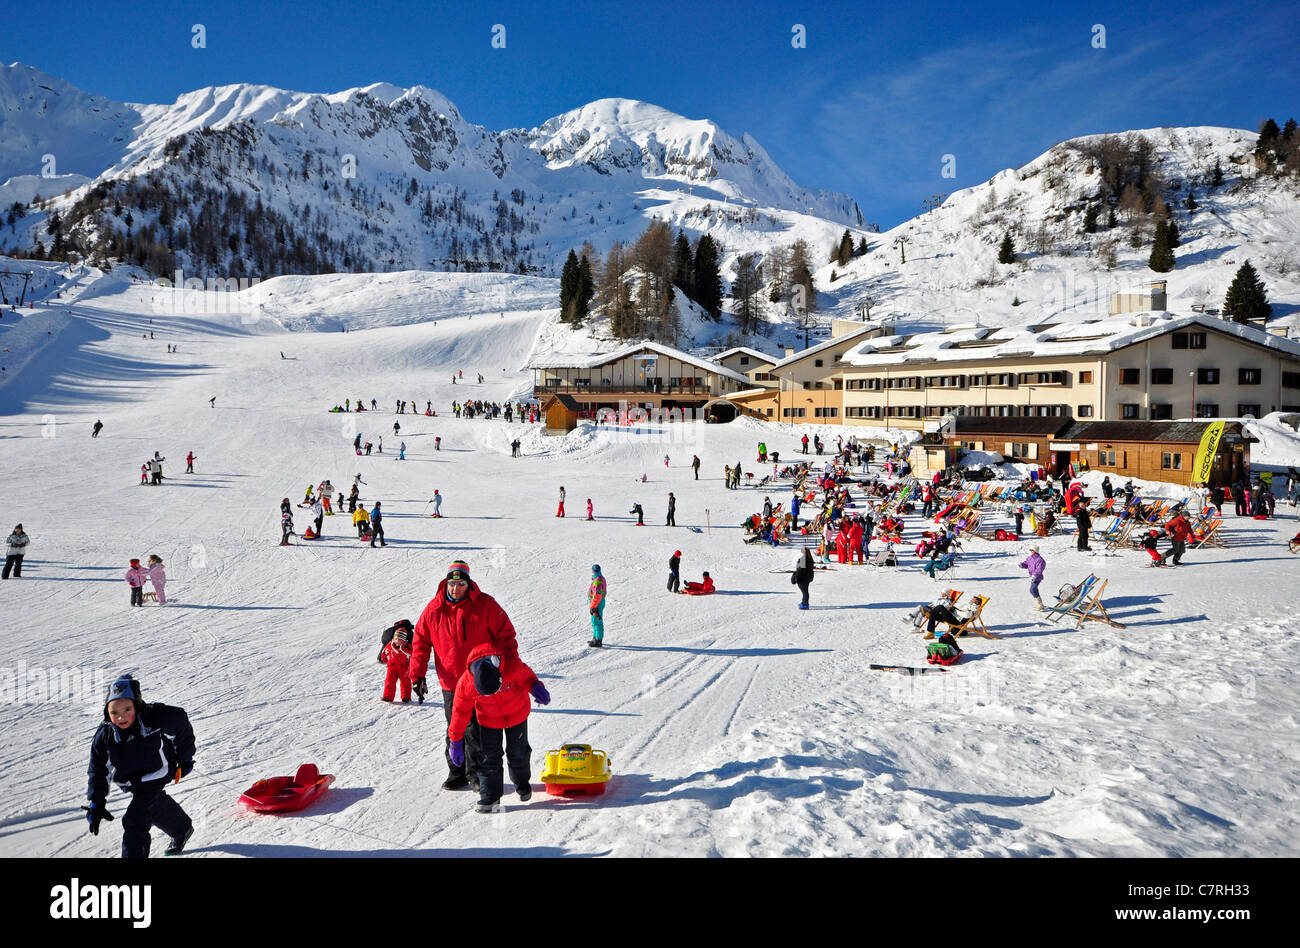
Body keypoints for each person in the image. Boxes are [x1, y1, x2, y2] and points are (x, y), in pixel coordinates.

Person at [409, 559, 521, 791]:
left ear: (468, 585)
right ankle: (456, 772)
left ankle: (477, 773)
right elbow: (420, 640)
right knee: (455, 727)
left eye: (460, 584)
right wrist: (417, 675)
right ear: (446, 584)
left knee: (477, 728)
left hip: (480, 679)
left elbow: (506, 635)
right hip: (450, 681)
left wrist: (508, 666)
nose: (455, 589)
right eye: (452, 584)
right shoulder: (434, 609)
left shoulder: (486, 605)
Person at [85, 674, 195, 858]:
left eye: (127, 709)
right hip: (132, 781)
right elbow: (98, 770)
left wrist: (185, 760)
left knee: (135, 820)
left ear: (136, 704)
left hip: (157, 774)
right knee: (154, 805)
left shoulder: (156, 718)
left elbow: (181, 724)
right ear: (107, 712)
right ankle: (181, 828)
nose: (121, 717)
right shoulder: (105, 736)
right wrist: (97, 801)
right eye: (114, 712)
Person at [448, 642, 549, 813]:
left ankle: (521, 782)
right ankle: (490, 796)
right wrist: (455, 741)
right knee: (489, 757)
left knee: (518, 752)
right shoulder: (466, 683)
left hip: (517, 713)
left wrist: (537, 688)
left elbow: (528, 679)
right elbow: (459, 713)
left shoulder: (512, 665)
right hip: (489, 720)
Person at [380, 622, 414, 703]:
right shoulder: (390, 645)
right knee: (389, 681)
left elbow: (413, 653)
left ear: (403, 640)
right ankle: (388, 696)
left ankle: (406, 697)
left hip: (404, 666)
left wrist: (405, 650)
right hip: (392, 666)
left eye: (400, 640)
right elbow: (384, 652)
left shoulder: (407, 646)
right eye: (396, 639)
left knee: (405, 682)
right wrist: (384, 659)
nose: (397, 641)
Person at [1019, 546, 1046, 610]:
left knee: (1033, 589)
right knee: (1032, 590)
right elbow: (1026, 564)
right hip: (1032, 577)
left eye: (1032, 550)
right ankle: (1039, 604)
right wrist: (1022, 565)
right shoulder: (1030, 558)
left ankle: (1040, 605)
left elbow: (1039, 569)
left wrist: (1035, 575)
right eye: (1030, 550)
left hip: (1037, 577)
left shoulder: (1040, 560)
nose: (1031, 551)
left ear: (1035, 551)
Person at [588, 564, 606, 647]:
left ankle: (598, 640)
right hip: (599, 602)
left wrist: (593, 607)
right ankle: (595, 638)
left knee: (596, 621)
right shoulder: (601, 578)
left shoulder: (597, 582)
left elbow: (597, 596)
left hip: (596, 604)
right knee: (596, 621)